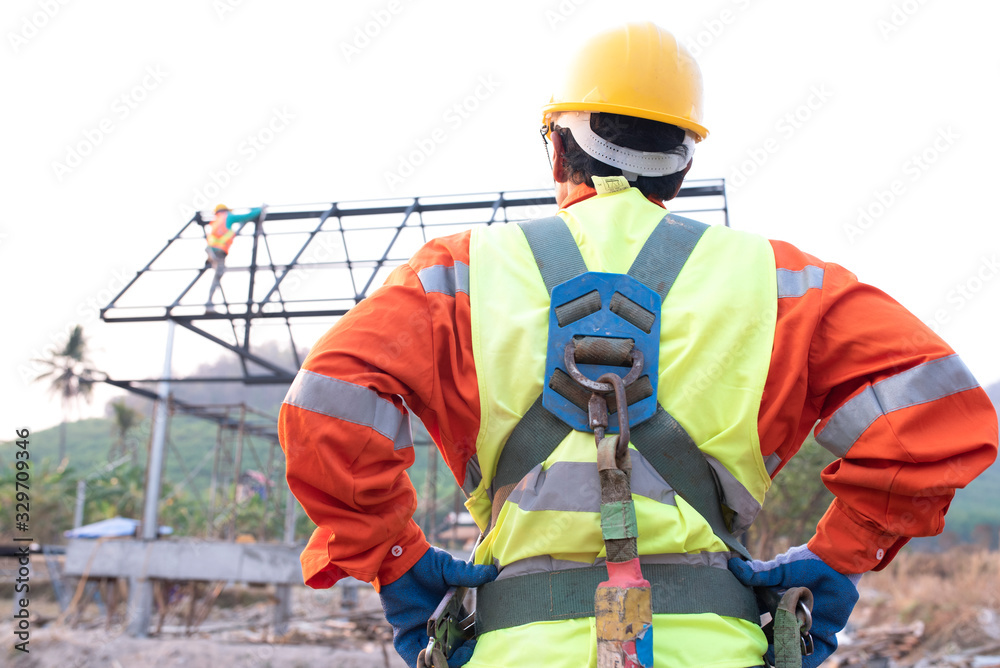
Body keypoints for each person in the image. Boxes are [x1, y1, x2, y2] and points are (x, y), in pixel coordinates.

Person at [278, 23, 998, 668]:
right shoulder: (781, 282)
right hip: (716, 649)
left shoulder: (457, 276)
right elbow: (941, 414)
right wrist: (841, 556)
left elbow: (325, 405)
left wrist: (396, 558)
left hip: (515, 651)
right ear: (681, 165)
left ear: (557, 146)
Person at [198, 203, 265, 312]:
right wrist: (259, 210)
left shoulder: (215, 221)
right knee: (218, 276)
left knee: (216, 275)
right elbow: (246, 217)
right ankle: (209, 304)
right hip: (219, 251)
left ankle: (209, 302)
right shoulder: (228, 216)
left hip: (212, 249)